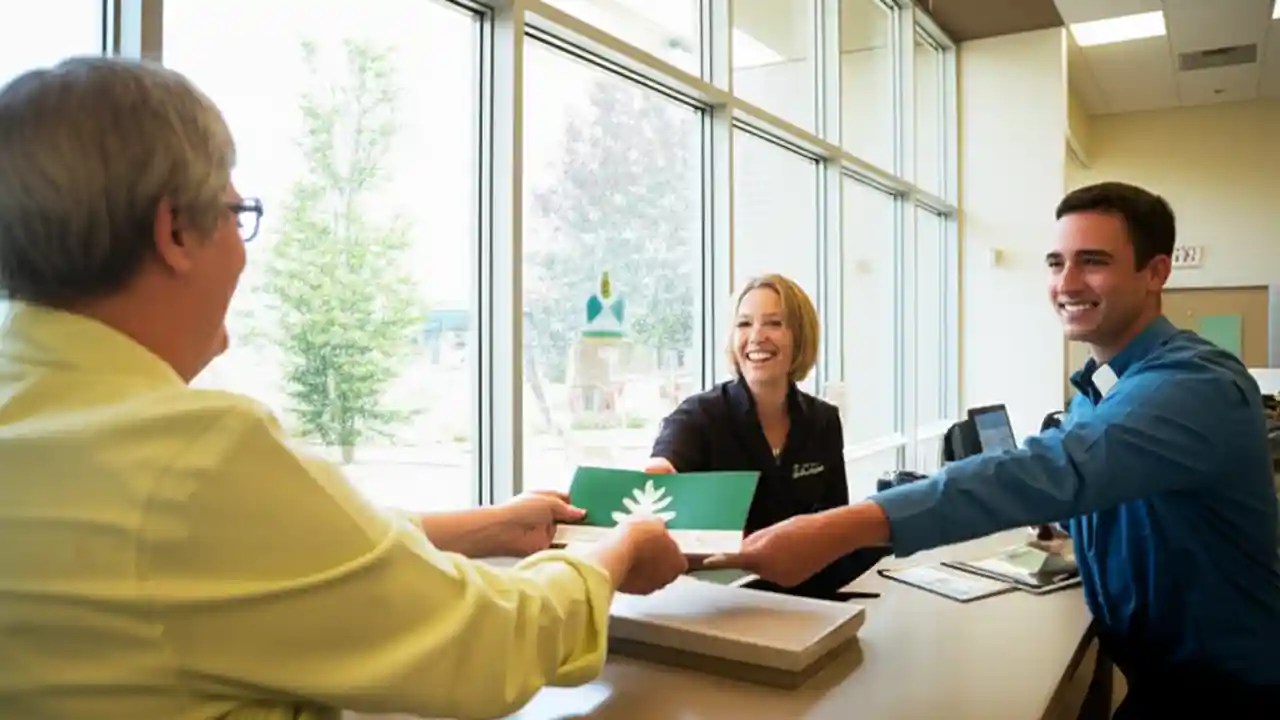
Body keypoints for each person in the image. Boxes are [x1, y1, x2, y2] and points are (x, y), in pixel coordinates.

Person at [0, 57, 687, 719]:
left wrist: (488, 527)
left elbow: (285, 554)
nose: (243, 252)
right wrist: (615, 550)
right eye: (238, 215)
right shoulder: (191, 460)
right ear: (175, 229)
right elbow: (489, 641)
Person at [707, 183, 1280, 716]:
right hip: (1160, 675)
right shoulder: (1101, 388)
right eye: (1057, 262)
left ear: (1156, 272)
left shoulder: (1195, 385)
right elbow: (1096, 479)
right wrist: (1069, 526)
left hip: (1227, 689)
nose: (1068, 282)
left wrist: (844, 528)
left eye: (1094, 261)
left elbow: (1057, 467)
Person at [646, 273, 887, 598]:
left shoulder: (823, 421)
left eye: (773, 323)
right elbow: (663, 466)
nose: (757, 336)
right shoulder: (699, 416)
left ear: (800, 336)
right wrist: (658, 477)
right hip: (718, 604)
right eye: (744, 324)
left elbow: (833, 527)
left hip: (809, 603)